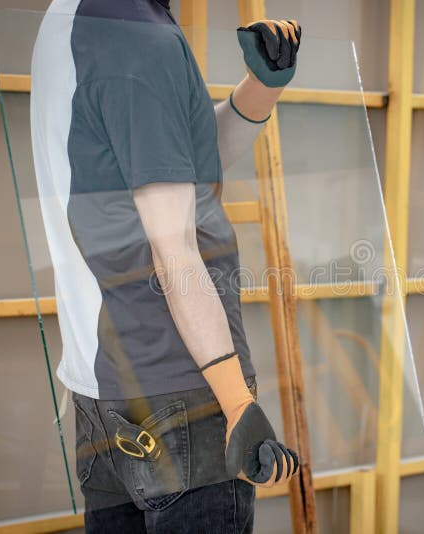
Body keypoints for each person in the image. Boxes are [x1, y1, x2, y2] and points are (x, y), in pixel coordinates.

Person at [30, 0, 302, 532]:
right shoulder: (139, 38)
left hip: (103, 387)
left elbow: (172, 163)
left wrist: (260, 88)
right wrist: (236, 400)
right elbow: (172, 245)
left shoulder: (71, 18)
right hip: (182, 390)